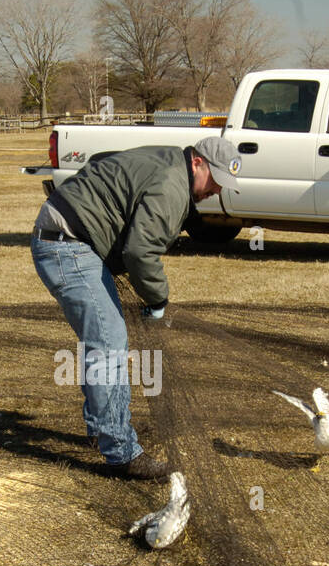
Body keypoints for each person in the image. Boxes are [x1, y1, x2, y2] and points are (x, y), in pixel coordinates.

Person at [30, 135, 241, 479]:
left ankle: (101, 430)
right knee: (109, 344)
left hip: (66, 238)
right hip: (67, 247)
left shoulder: (168, 162)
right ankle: (122, 453)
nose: (216, 190)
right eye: (215, 180)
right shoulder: (173, 184)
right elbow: (140, 252)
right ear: (198, 162)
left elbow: (103, 168)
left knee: (102, 340)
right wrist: (158, 299)